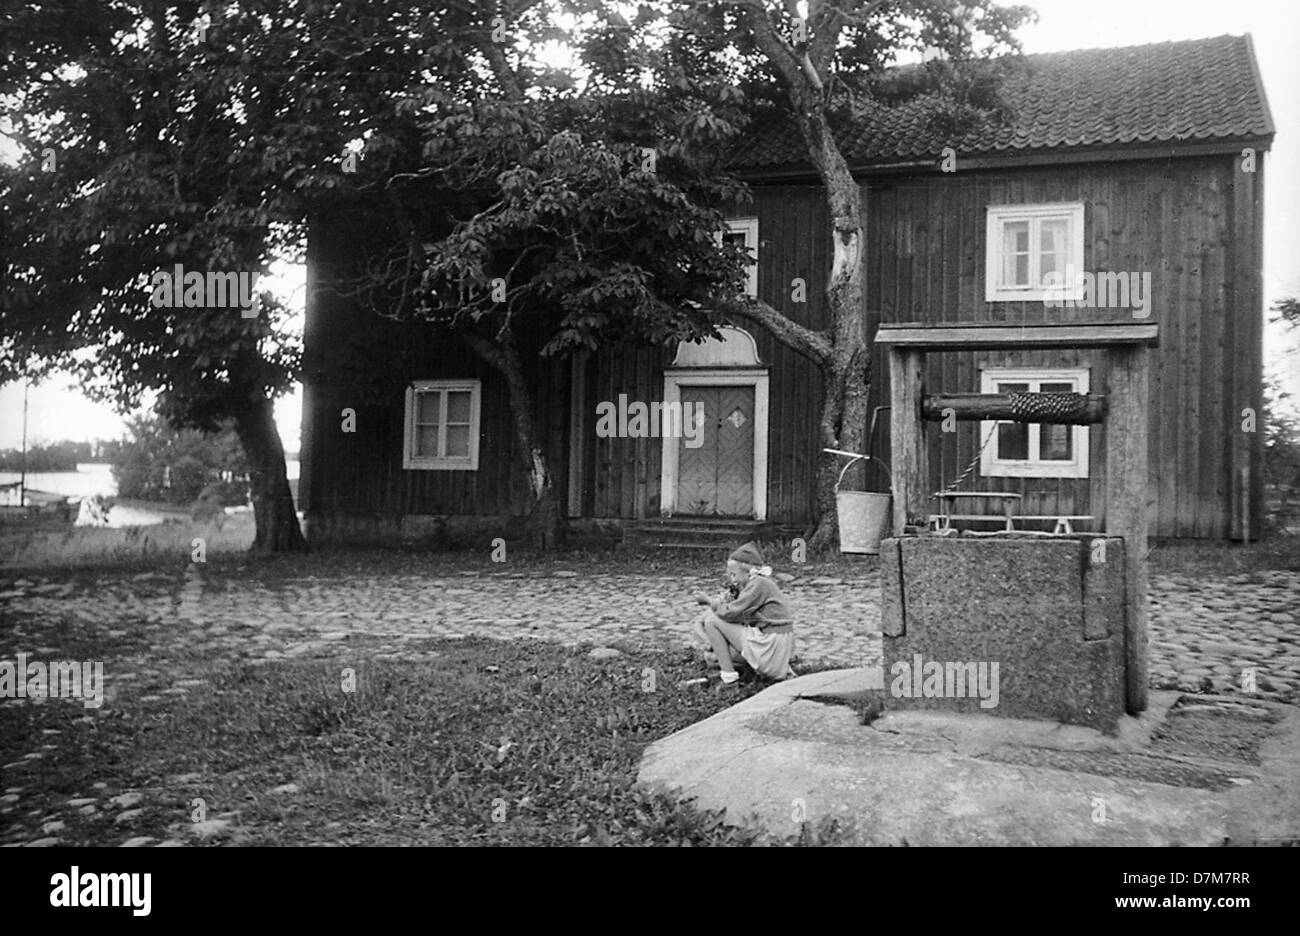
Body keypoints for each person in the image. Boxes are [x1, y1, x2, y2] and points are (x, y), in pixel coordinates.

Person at [690, 542, 796, 685]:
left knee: (712, 622)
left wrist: (709, 601)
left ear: (747, 571)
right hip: (773, 645)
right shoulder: (759, 583)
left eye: (734, 574)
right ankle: (736, 671)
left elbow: (730, 612)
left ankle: (729, 678)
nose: (732, 579)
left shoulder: (758, 584)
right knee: (718, 652)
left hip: (771, 645)